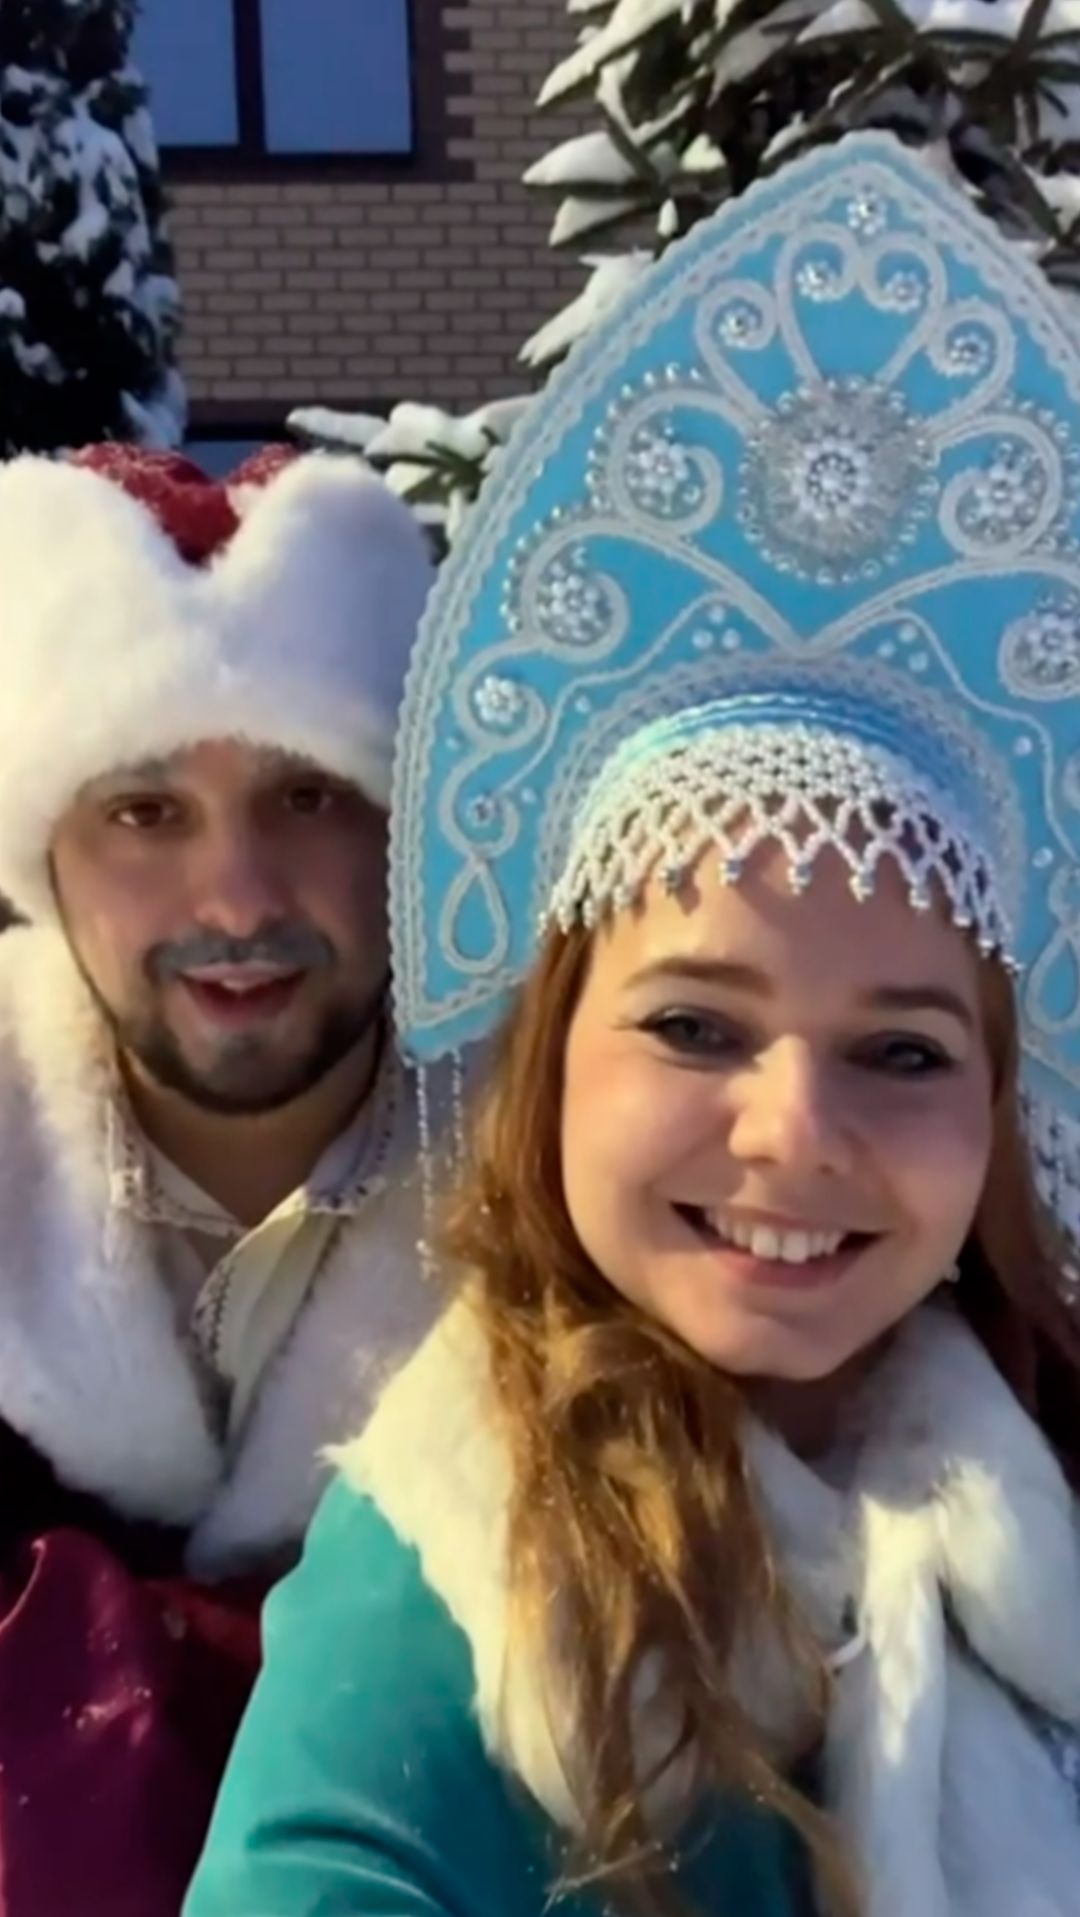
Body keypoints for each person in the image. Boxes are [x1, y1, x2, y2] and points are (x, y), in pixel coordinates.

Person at [187, 135, 1080, 1917]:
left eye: (903, 1050)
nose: (794, 1130)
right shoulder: (448, 1578)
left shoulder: (1038, 1472)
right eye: (696, 1025)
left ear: (997, 1108)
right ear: (549, 1066)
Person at [0, 440, 438, 1910]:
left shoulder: (580, 1196)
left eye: (309, 795)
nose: (238, 897)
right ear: (43, 853)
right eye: (145, 811)